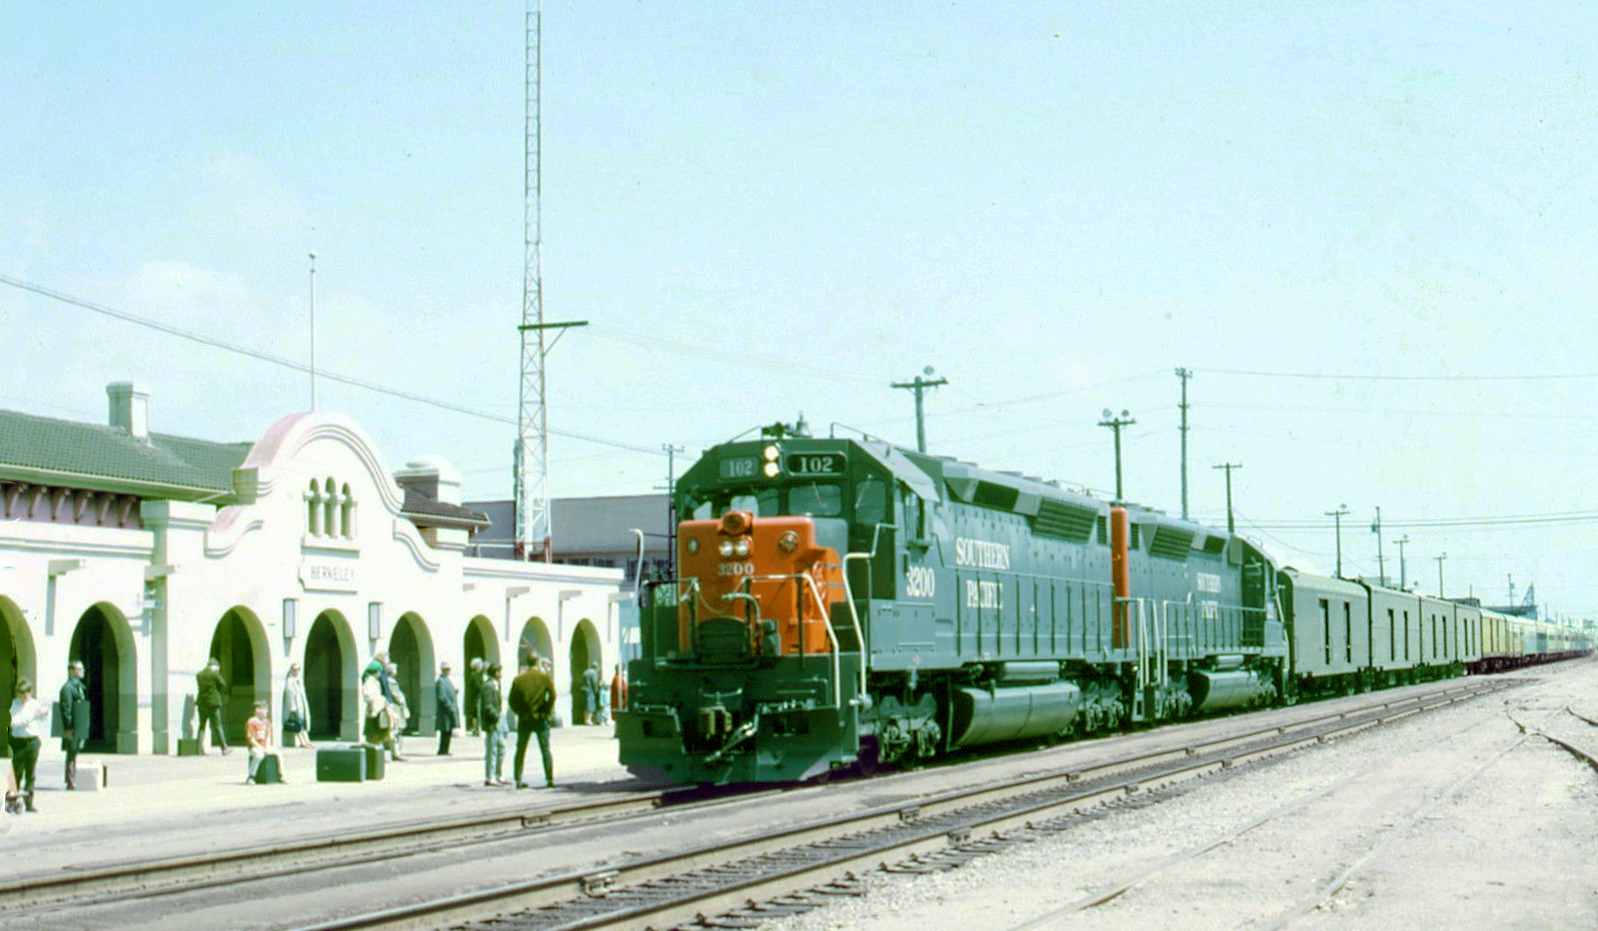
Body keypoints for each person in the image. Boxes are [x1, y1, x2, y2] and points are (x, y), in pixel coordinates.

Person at [507, 654, 556, 788]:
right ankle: (549, 779)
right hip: (541, 718)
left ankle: (518, 779)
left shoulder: (518, 680)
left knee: (520, 750)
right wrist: (546, 711)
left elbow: (512, 701)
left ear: (526, 662)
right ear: (538, 662)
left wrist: (521, 712)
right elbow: (553, 696)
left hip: (525, 719)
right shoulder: (545, 678)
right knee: (545, 749)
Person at [8, 679, 51, 812]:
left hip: (32, 740)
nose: (22, 696)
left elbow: (42, 719)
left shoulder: (34, 704)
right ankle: (12, 802)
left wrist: (44, 713)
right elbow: (15, 723)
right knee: (16, 773)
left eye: (25, 693)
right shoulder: (14, 705)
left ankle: (29, 802)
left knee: (31, 773)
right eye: (20, 693)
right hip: (19, 742)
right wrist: (31, 716)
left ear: (30, 692)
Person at [59, 660, 89, 789]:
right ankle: (70, 780)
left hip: (80, 723)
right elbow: (66, 708)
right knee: (71, 752)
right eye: (78, 669)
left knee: (75, 751)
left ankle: (72, 778)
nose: (82, 671)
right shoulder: (67, 688)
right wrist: (69, 728)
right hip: (72, 726)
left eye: (82, 669)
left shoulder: (79, 686)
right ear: (71, 671)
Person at [478, 663, 509, 786]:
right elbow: (487, 705)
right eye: (500, 671)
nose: (501, 674)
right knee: (492, 750)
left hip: (498, 721)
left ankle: (499, 775)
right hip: (493, 722)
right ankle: (489, 777)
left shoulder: (496, 685)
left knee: (501, 748)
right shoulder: (489, 686)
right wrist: (496, 716)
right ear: (495, 672)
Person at [360, 658, 394, 757]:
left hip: (378, 710)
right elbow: (369, 696)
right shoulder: (369, 681)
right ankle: (373, 757)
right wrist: (381, 700)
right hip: (374, 712)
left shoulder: (374, 681)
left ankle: (378, 756)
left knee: (378, 736)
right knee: (373, 737)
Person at [244, 701, 284, 784]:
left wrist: (267, 747)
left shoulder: (267, 722)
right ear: (258, 711)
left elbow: (268, 737)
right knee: (259, 755)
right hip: (254, 747)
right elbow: (251, 739)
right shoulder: (251, 722)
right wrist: (261, 748)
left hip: (264, 746)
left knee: (278, 754)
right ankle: (251, 776)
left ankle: (281, 776)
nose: (266, 712)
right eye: (264, 709)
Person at [196, 657, 229, 754]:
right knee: (217, 726)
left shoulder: (199, 675)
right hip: (213, 703)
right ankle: (224, 748)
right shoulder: (214, 674)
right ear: (215, 667)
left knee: (202, 726)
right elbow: (223, 684)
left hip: (201, 703)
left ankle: (198, 749)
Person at [283, 662, 315, 749]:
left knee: (303, 724)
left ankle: (307, 741)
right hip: (295, 707)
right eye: (294, 669)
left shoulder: (299, 680)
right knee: (298, 725)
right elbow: (290, 694)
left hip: (301, 705)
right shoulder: (290, 681)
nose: (296, 671)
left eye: (298, 669)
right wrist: (292, 708)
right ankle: (302, 742)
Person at [385, 661, 409, 761]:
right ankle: (396, 753)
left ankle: (396, 752)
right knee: (396, 731)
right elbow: (397, 696)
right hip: (396, 708)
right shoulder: (390, 682)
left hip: (396, 708)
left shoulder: (391, 681)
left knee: (397, 731)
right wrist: (402, 700)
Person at [435, 662, 458, 756]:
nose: (448, 671)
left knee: (448, 731)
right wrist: (450, 706)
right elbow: (442, 697)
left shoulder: (447, 680)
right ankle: (442, 750)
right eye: (447, 669)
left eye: (449, 669)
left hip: (449, 710)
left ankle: (445, 749)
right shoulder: (441, 681)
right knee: (445, 731)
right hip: (445, 711)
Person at [465, 657, 484, 736]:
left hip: (476, 697)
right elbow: (478, 686)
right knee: (476, 714)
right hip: (476, 698)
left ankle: (477, 729)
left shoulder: (478, 675)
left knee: (476, 714)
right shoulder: (475, 675)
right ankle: (476, 729)